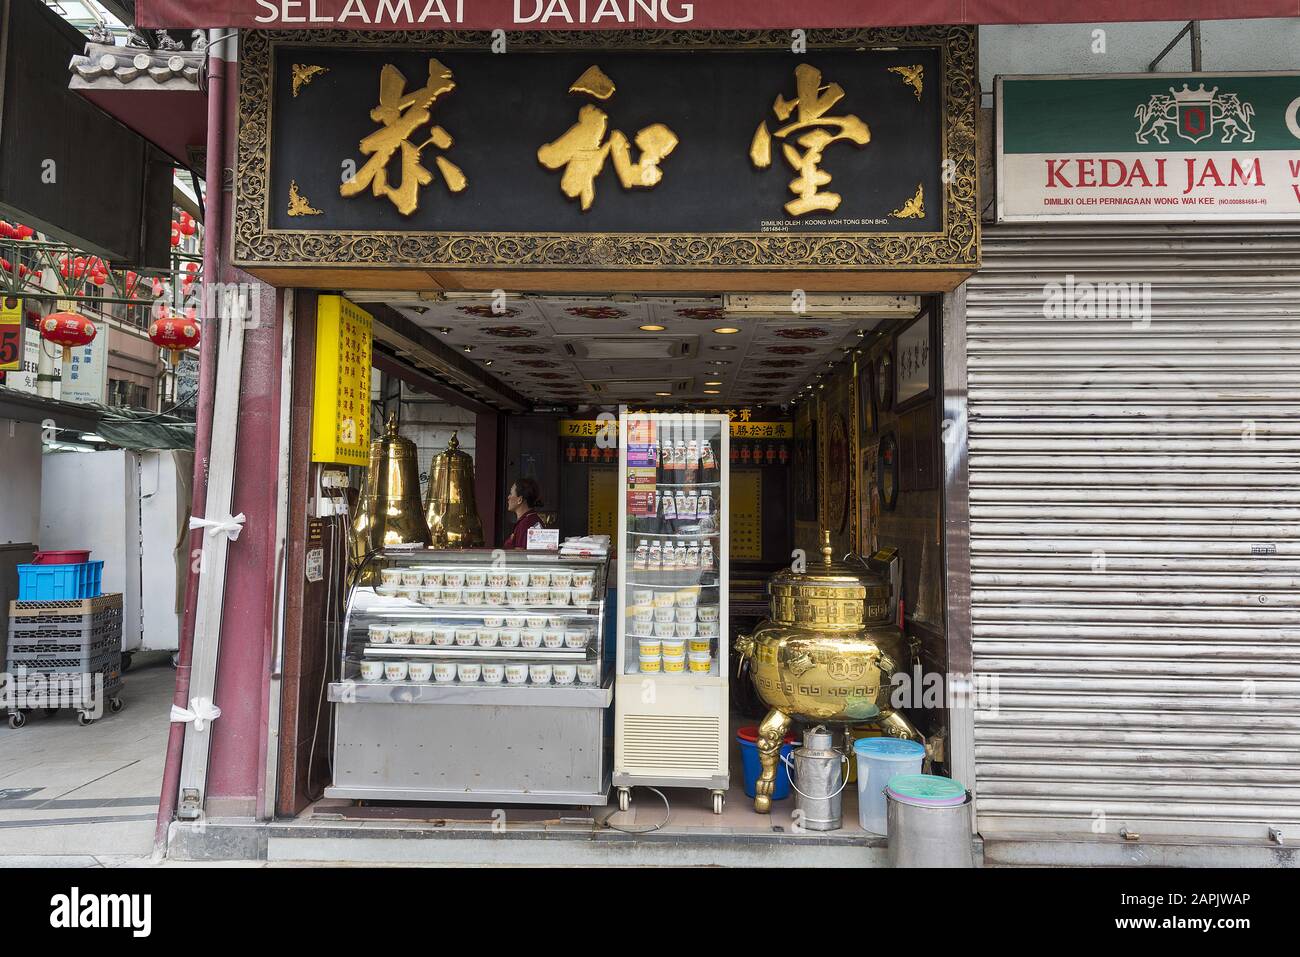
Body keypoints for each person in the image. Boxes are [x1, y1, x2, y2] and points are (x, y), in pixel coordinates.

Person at [503, 477, 544, 549]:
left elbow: (520, 557)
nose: (508, 497)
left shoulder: (525, 524)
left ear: (520, 500)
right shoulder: (532, 520)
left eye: (511, 493)